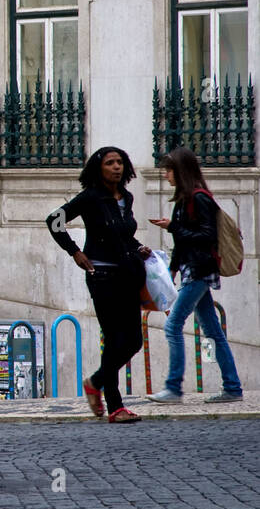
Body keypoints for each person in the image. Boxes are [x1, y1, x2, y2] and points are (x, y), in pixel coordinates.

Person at [47, 146, 152, 424]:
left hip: (129, 274)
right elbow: (54, 221)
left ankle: (95, 381)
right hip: (102, 275)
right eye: (110, 163)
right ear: (99, 168)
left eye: (120, 162)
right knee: (114, 337)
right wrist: (75, 251)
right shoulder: (91, 197)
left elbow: (123, 235)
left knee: (133, 341)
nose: (116, 167)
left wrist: (139, 247)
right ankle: (116, 407)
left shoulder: (126, 198)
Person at [148, 147, 244, 404]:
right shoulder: (183, 200)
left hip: (200, 272)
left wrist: (173, 227)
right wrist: (172, 268)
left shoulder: (198, 199)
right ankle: (233, 387)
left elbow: (206, 237)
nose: (166, 175)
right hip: (193, 270)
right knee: (212, 329)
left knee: (173, 326)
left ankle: (173, 388)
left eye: (169, 170)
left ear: (181, 172)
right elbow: (183, 241)